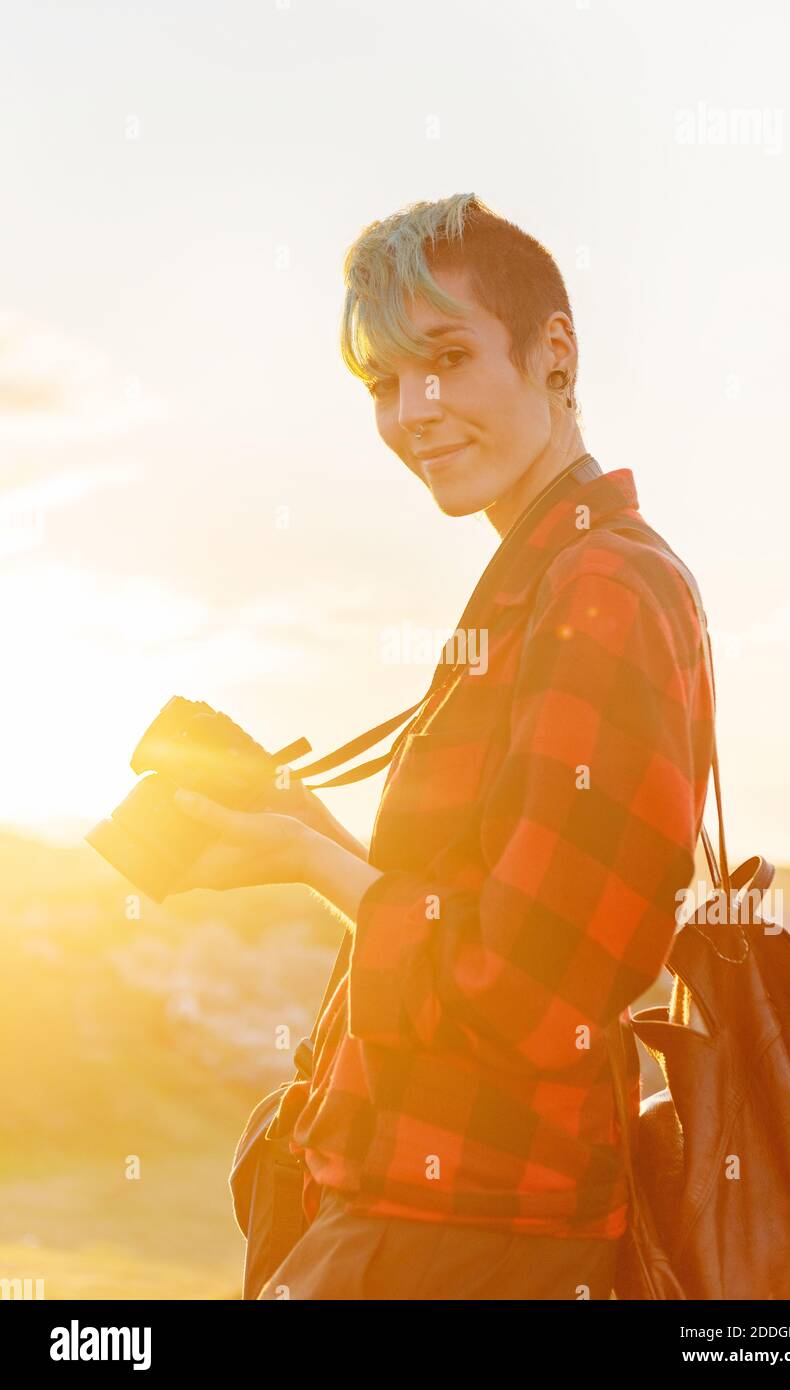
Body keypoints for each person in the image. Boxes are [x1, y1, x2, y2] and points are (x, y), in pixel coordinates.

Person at [171, 193, 715, 1300]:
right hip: (430, 1214)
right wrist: (295, 821)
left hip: (471, 1233)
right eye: (382, 381)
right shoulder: (544, 578)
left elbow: (528, 989)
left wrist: (309, 861)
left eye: (448, 358)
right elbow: (468, 906)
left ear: (553, 354)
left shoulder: (599, 590)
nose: (413, 409)